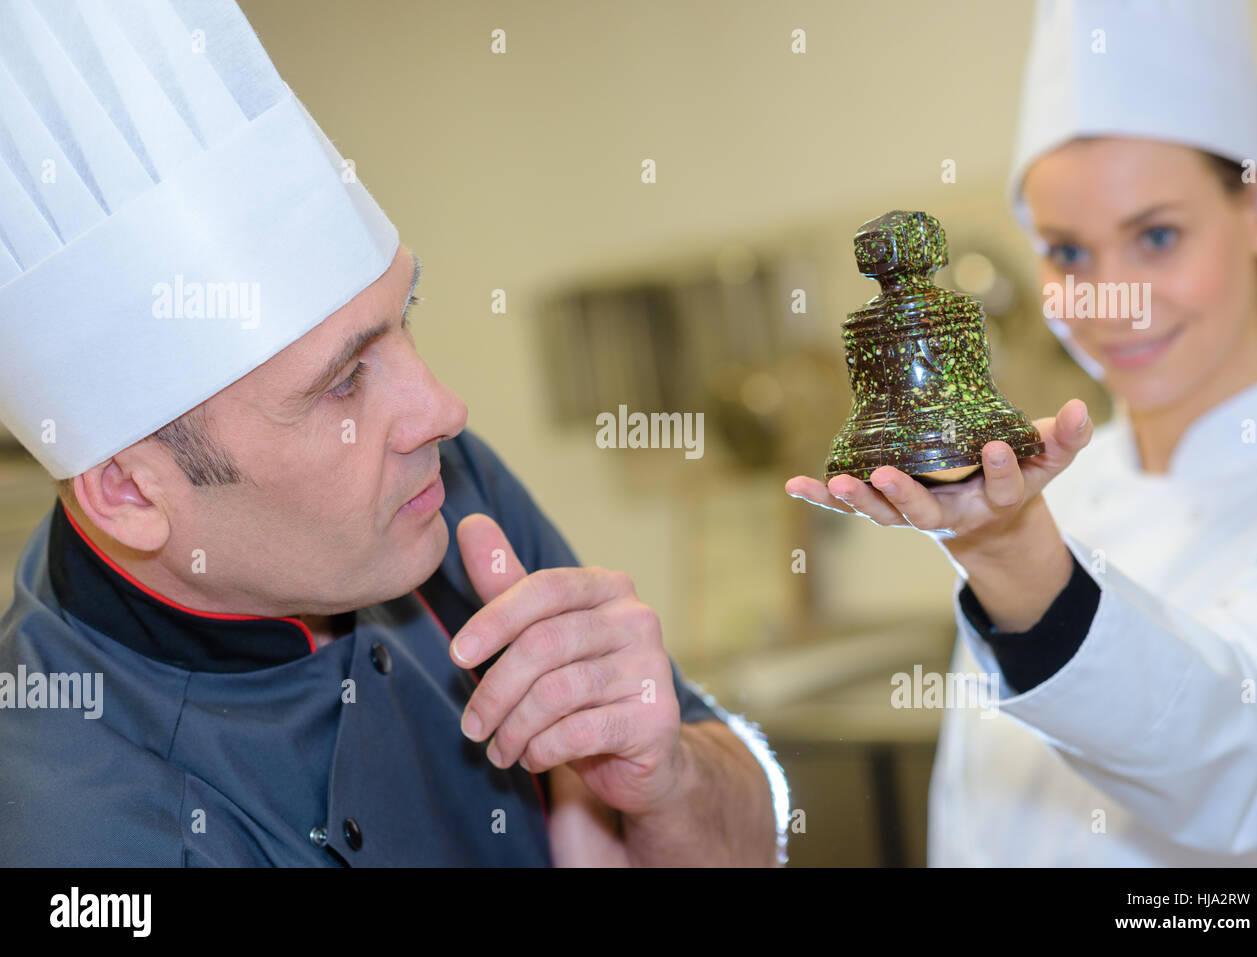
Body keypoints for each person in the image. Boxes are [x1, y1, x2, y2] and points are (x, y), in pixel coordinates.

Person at [0, 0, 787, 866]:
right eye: (344, 383)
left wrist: (668, 783)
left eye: (404, 315)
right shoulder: (75, 832)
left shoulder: (431, 484)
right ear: (131, 491)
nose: (442, 409)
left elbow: (747, 837)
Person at [787, 0, 1257, 864]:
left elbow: (1252, 773)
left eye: (1158, 235)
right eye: (1068, 253)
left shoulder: (1024, 523)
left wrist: (1009, 551)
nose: (1111, 297)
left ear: (1256, 208)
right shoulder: (1053, 482)